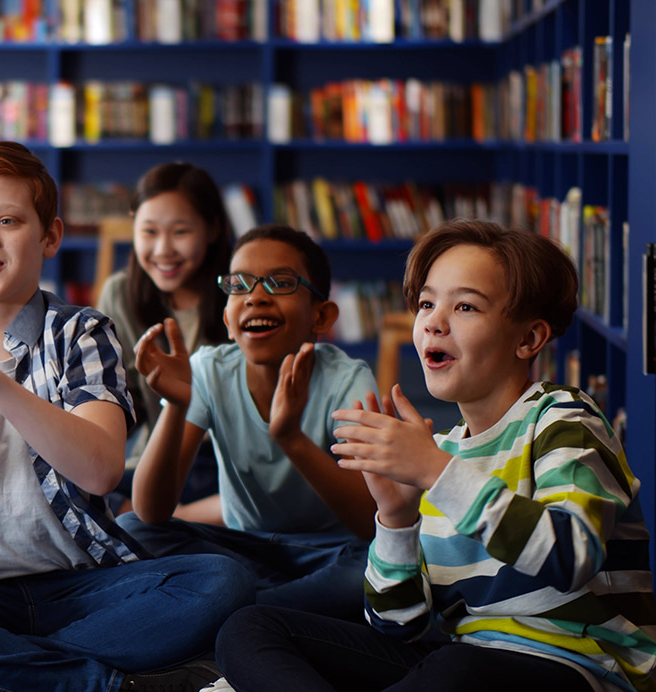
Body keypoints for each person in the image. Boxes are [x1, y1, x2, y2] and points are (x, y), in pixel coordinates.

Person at [0, 140, 254, 692]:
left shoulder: (82, 333)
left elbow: (102, 469)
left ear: (49, 236)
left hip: (73, 590)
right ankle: (90, 685)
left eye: (7, 220)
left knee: (223, 582)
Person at [215, 219, 656, 692]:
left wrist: (436, 471)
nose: (433, 321)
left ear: (528, 339)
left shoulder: (565, 420)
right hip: (463, 658)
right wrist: (396, 519)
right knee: (250, 628)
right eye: (427, 303)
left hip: (578, 667)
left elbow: (571, 556)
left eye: (465, 305)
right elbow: (398, 624)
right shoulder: (442, 450)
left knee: (456, 669)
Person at [116, 223, 379, 620]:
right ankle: (270, 610)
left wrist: (291, 438)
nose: (256, 298)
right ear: (226, 317)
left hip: (330, 551)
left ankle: (235, 608)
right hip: (242, 548)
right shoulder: (209, 371)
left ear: (320, 315)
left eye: (282, 283)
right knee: (134, 529)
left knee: (377, 569)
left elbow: (369, 524)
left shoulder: (347, 380)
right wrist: (174, 404)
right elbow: (152, 512)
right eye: (239, 285)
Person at [96, 161, 232, 521]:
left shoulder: (242, 295)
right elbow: (123, 401)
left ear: (213, 228)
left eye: (181, 232)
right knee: (64, 484)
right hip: (157, 458)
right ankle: (168, 520)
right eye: (149, 231)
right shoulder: (120, 294)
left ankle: (166, 522)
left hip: (226, 463)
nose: (163, 250)